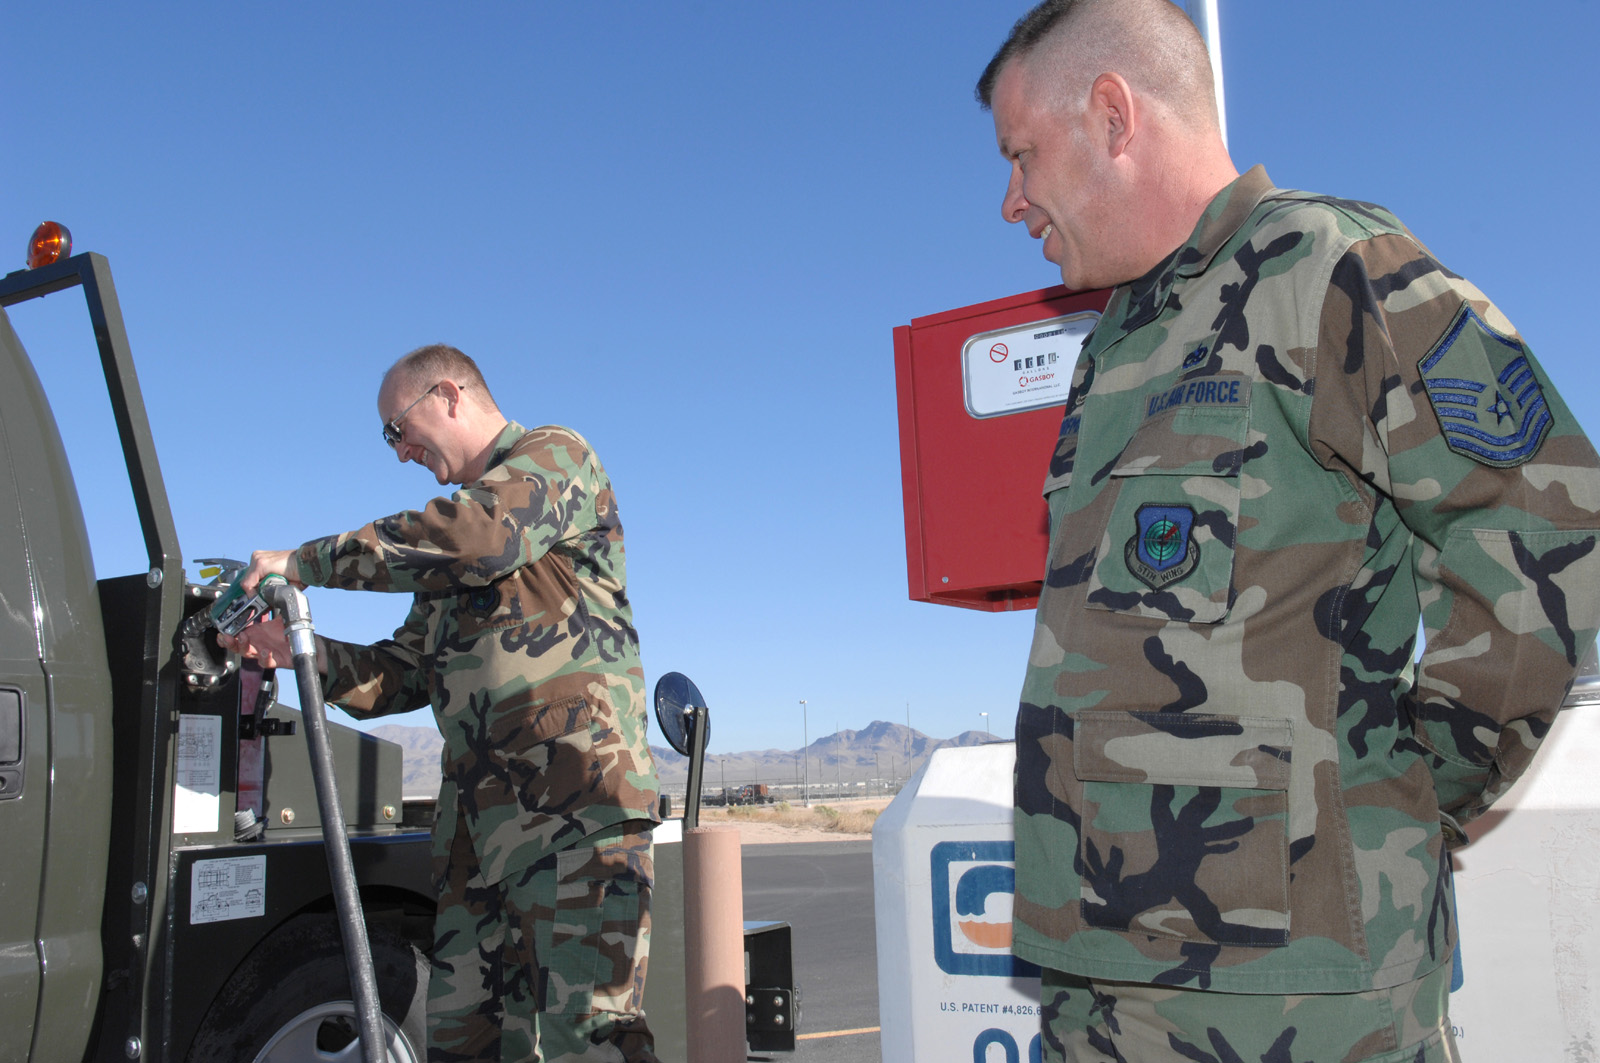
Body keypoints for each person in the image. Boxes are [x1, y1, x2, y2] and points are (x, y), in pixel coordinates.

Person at [976, 2, 1600, 1060]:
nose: (1011, 201)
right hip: (1097, 969)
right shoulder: (1118, 340)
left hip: (1291, 994)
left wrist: (1401, 796)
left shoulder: (1332, 268)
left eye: (1021, 155)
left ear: (1113, 114)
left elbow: (1546, 517)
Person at [225, 344, 661, 1063]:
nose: (400, 452)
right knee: (462, 1047)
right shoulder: (448, 562)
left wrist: (307, 562)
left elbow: (477, 537)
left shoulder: (555, 458)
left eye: (397, 429)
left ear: (449, 396)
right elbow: (402, 673)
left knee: (581, 1044)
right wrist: (298, 649)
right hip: (476, 848)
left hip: (570, 821)